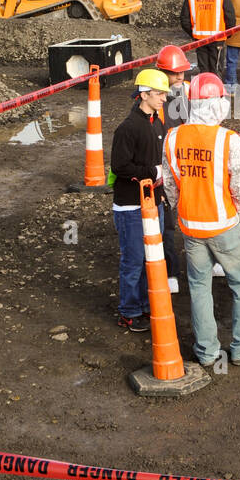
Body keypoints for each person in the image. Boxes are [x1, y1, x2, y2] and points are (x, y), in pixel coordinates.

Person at [162, 72, 240, 367]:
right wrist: (239, 214)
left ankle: (207, 351)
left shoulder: (173, 137)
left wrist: (180, 208)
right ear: (217, 105)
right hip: (223, 223)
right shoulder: (227, 139)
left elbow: (170, 184)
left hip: (190, 224)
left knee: (198, 286)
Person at [110, 68, 169, 332]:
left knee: (151, 259)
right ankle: (129, 311)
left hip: (153, 202)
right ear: (144, 95)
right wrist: (153, 172)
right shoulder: (127, 128)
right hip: (131, 206)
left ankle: (146, 305)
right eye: (159, 94)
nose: (163, 99)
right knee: (133, 261)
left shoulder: (156, 123)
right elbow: (120, 166)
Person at [156, 44, 192, 293]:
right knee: (168, 222)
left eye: (182, 72)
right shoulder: (155, 99)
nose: (179, 77)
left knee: (201, 215)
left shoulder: (191, 91)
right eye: (174, 73)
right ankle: (171, 272)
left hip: (191, 162)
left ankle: (209, 263)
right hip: (166, 166)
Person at [180, 0, 236, 76]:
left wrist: (194, 34)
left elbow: (184, 20)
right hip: (218, 39)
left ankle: (204, 92)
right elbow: (230, 18)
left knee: (204, 71)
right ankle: (215, 93)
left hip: (199, 40)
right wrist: (227, 34)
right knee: (216, 71)